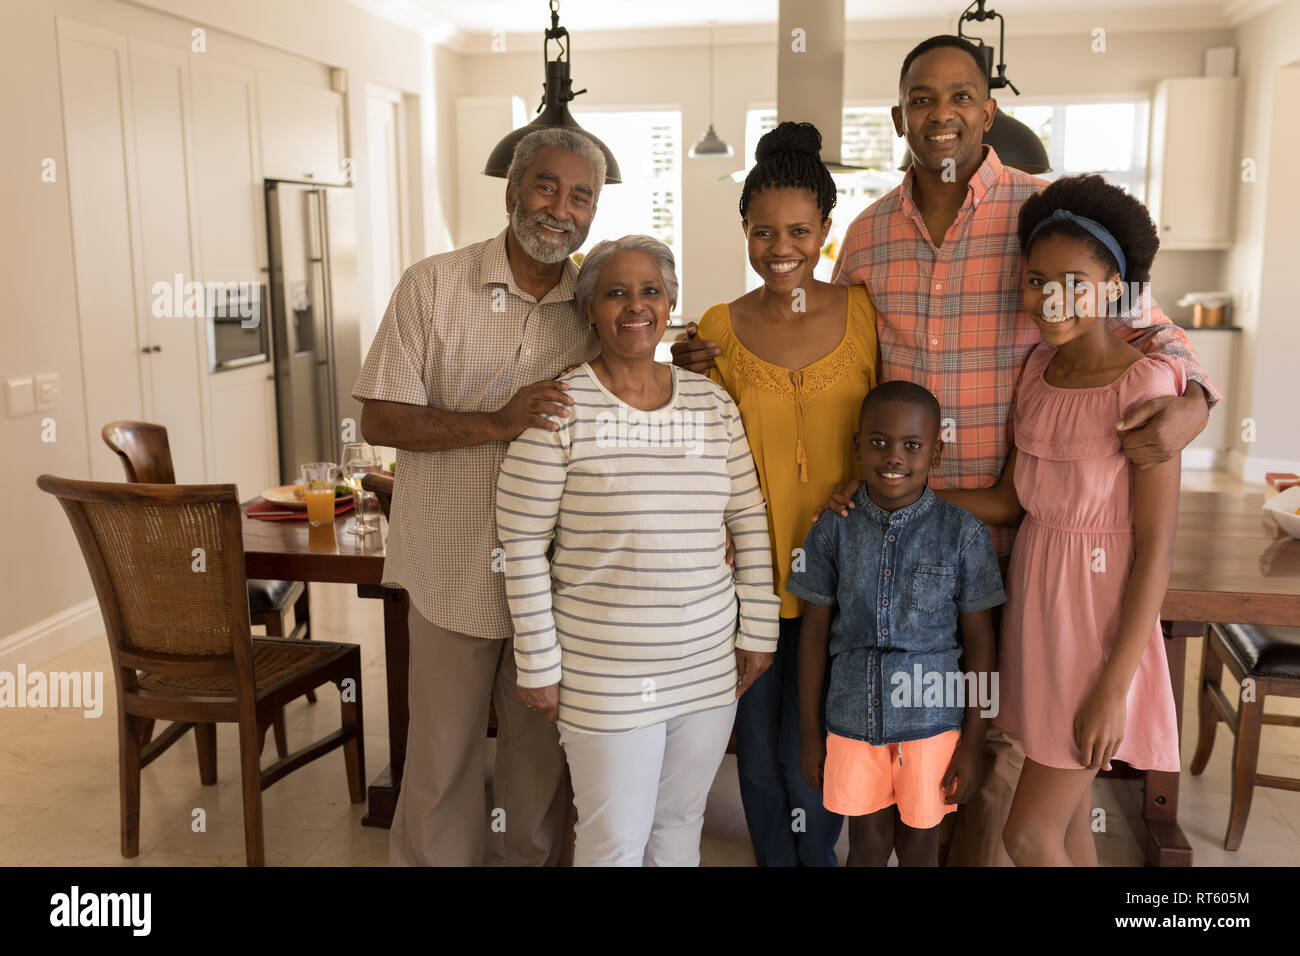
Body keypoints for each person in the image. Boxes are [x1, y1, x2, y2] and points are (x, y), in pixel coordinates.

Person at [785, 35, 1220, 865]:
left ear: (989, 111)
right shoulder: (869, 236)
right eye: (920, 98)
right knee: (927, 745)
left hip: (1025, 542)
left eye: (959, 97)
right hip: (915, 536)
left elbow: (1149, 328)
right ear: (898, 116)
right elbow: (842, 356)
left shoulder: (1043, 216)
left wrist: (1195, 405)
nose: (939, 114)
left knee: (1002, 775)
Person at [353, 127, 606, 866]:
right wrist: (497, 421)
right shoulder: (431, 285)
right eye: (547, 187)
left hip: (554, 587)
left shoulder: (594, 302)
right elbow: (379, 418)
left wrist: (687, 355)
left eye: (580, 196)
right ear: (513, 192)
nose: (561, 209)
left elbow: (636, 383)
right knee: (441, 763)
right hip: (450, 569)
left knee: (536, 766)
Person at [495, 236, 781, 866]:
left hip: (707, 668)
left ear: (671, 301)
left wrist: (758, 628)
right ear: (590, 310)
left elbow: (748, 519)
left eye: (650, 290)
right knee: (613, 842)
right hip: (605, 676)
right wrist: (539, 663)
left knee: (679, 826)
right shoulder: (559, 409)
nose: (635, 306)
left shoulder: (711, 403)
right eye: (615, 293)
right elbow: (519, 544)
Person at [938, 175, 1182, 865]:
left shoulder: (1148, 385)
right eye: (1037, 280)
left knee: (1026, 833)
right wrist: (906, 497)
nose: (1050, 299)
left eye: (1073, 280)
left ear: (1115, 286)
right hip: (1036, 616)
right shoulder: (1038, 372)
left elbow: (1156, 550)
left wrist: (1114, 687)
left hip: (1101, 633)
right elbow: (1010, 501)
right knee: (1071, 827)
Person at [672, 121, 880, 866]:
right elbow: (700, 449)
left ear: (826, 229)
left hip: (842, 573)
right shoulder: (718, 327)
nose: (781, 247)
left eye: (799, 230)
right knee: (755, 753)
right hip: (747, 578)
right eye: (763, 232)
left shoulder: (863, 310)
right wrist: (681, 375)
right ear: (745, 232)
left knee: (813, 747)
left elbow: (891, 421)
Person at [791, 381, 1002, 866]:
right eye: (879, 441)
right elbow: (813, 636)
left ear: (936, 452)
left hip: (932, 721)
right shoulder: (830, 528)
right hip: (850, 718)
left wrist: (973, 743)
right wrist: (809, 733)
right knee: (865, 846)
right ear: (858, 446)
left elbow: (981, 648)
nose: (894, 457)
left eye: (912, 445)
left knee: (922, 847)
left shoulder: (963, 534)